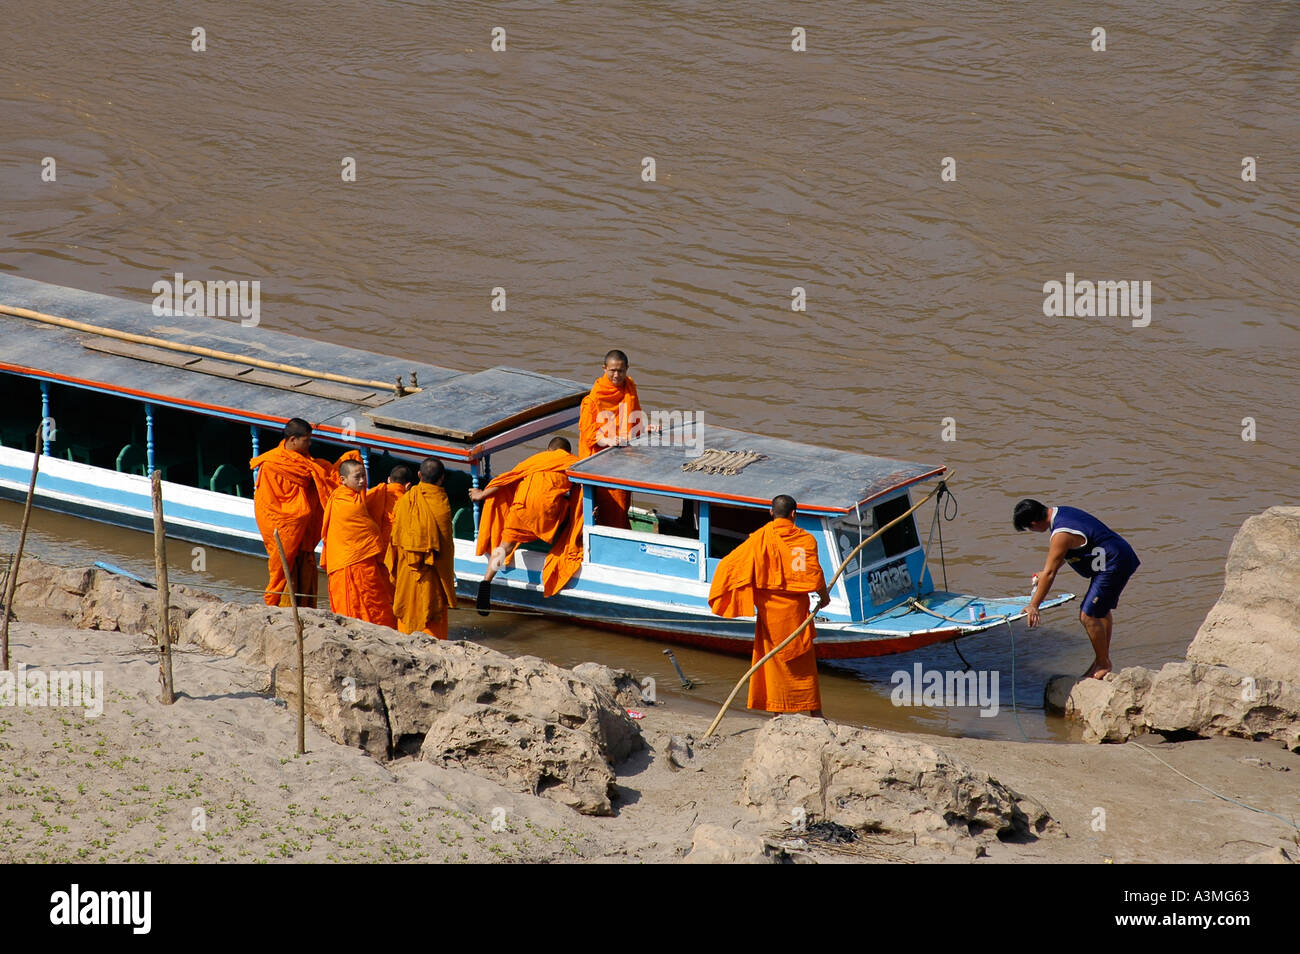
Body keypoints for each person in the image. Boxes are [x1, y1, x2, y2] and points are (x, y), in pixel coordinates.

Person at [707, 495, 832, 716]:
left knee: (774, 662)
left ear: (771, 513)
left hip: (770, 612)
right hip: (796, 612)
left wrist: (723, 591)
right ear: (794, 514)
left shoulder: (759, 539)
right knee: (802, 663)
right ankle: (816, 713)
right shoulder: (806, 540)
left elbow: (729, 563)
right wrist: (824, 597)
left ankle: (778, 714)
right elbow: (814, 576)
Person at [1014, 498, 1141, 679]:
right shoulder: (1060, 513)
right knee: (1099, 611)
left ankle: (1103, 663)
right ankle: (1101, 659)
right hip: (1116, 557)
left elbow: (1050, 573)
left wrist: (1034, 605)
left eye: (1029, 528)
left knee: (1088, 615)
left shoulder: (1060, 534)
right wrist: (1044, 573)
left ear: (1034, 523)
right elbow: (1057, 561)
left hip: (1114, 563)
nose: (1032, 531)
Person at [250, 418, 347, 608]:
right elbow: (269, 508)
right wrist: (299, 517)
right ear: (293, 439)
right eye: (307, 440)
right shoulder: (271, 465)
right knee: (286, 574)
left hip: (304, 537)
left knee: (305, 573)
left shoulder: (306, 462)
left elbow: (321, 479)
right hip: (285, 533)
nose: (310, 444)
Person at [470, 437, 578, 584]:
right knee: (570, 513)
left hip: (522, 507)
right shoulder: (573, 463)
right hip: (548, 515)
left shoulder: (539, 459)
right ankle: (560, 548)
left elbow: (506, 479)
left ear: (548, 450)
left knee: (504, 547)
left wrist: (481, 494)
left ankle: (486, 581)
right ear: (569, 452)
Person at [321, 459, 397, 628]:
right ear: (342, 480)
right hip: (349, 563)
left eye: (363, 476)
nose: (362, 481)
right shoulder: (347, 503)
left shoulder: (351, 496)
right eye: (357, 477)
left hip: (359, 561)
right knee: (356, 604)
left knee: (374, 602)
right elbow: (372, 531)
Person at [389, 457, 458, 639]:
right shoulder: (442, 504)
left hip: (408, 570)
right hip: (433, 574)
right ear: (442, 478)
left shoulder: (405, 501)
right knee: (431, 615)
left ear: (419, 475)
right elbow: (445, 548)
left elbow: (395, 539)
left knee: (408, 608)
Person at [577, 350, 645, 529]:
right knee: (604, 505)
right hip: (600, 461)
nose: (617, 375)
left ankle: (620, 529)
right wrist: (608, 440)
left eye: (621, 371)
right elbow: (588, 434)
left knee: (621, 503)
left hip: (623, 456)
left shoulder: (629, 387)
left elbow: (633, 417)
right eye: (612, 370)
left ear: (627, 369)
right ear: (604, 368)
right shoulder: (593, 399)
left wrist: (643, 428)